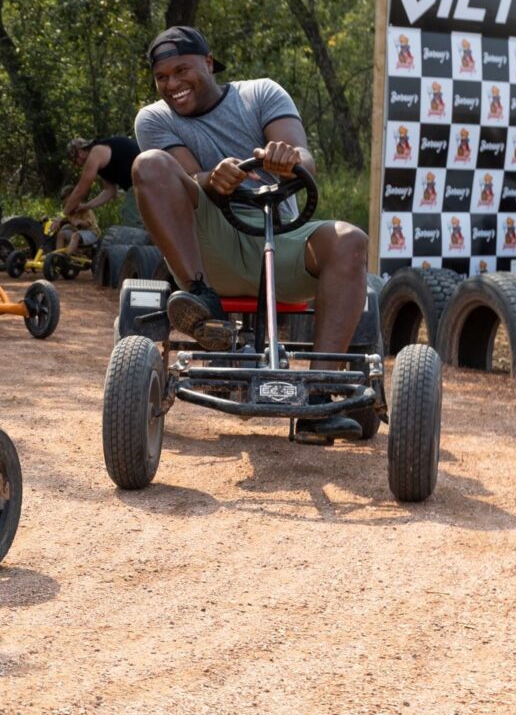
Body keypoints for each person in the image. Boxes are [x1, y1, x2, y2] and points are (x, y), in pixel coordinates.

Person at [129, 25, 370, 441]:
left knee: (350, 238)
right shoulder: (154, 118)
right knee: (148, 164)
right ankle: (205, 310)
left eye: (181, 70)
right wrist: (212, 178)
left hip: (282, 234)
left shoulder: (260, 94)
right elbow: (180, 179)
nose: (172, 85)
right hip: (209, 245)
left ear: (208, 63)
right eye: (162, 77)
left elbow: (305, 160)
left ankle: (317, 399)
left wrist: (285, 158)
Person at [60, 135, 139, 224]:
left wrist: (62, 215)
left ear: (80, 151)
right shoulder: (102, 163)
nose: (78, 164)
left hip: (144, 179)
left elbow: (81, 190)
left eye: (75, 160)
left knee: (130, 214)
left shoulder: (96, 152)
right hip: (140, 183)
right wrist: (86, 206)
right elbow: (109, 191)